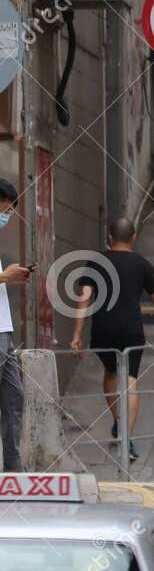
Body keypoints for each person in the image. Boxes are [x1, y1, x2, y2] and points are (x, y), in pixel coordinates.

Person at [70, 217, 154, 464]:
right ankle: (127, 438)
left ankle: (118, 420)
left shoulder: (96, 261)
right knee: (131, 380)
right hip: (132, 330)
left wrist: (76, 335)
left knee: (111, 372)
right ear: (133, 238)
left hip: (103, 330)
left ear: (109, 238)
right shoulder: (143, 264)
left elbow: (84, 298)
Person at [0, 181, 30, 472]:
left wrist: (12, 277)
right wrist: (4, 276)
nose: (8, 214)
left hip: (4, 330)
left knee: (14, 395)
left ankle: (13, 463)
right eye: (7, 208)